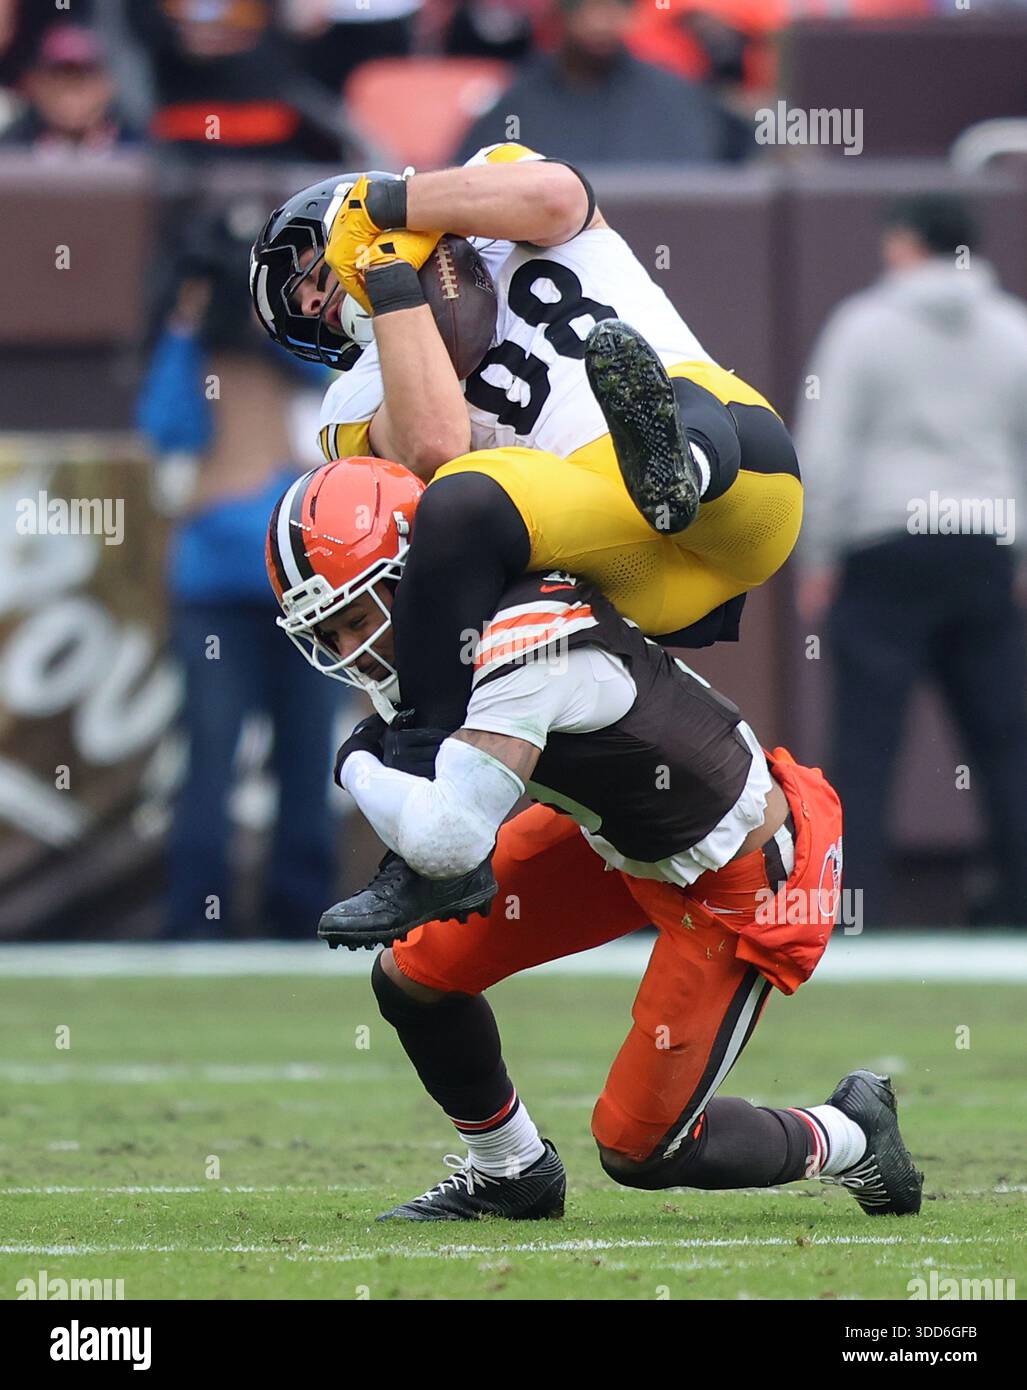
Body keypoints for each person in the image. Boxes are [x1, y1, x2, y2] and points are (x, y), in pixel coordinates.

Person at [266, 455, 923, 1222]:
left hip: (727, 870)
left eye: (357, 616)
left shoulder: (526, 642)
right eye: (328, 630)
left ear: (418, 578)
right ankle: (510, 1171)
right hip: (608, 833)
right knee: (415, 976)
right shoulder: (454, 631)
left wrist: (353, 766)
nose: (350, 648)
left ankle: (848, 1134)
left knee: (641, 1148)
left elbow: (447, 838)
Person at [251, 141, 804, 932]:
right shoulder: (352, 397)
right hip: (623, 549)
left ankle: (675, 464)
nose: (320, 294)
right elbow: (439, 446)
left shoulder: (490, 195)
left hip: (745, 490)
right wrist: (386, 280)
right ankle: (437, 839)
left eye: (314, 273)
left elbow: (556, 196)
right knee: (461, 501)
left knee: (675, 386)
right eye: (308, 300)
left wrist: (391, 210)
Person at [795, 194, 1027, 928]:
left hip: (884, 543)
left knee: (864, 745)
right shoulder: (1013, 330)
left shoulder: (864, 327)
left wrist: (816, 552)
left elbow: (826, 446)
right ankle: (1015, 907)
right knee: (1004, 740)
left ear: (905, 243)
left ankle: (853, 908)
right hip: (984, 544)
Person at [140, 208, 342, 938]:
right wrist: (189, 327)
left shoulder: (314, 352)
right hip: (217, 592)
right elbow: (164, 428)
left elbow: (337, 400)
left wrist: (275, 324)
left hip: (310, 587)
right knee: (209, 758)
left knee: (307, 757)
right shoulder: (198, 361)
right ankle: (194, 920)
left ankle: (300, 918)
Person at [452, 0, 741, 166]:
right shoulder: (518, 104)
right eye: (590, 7)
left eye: (613, 7)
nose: (602, 21)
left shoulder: (677, 97)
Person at [0, 23, 138, 153]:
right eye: (57, 77)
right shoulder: (10, 151)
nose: (70, 90)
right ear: (37, 86)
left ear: (107, 86)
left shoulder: (140, 153)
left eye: (81, 77)